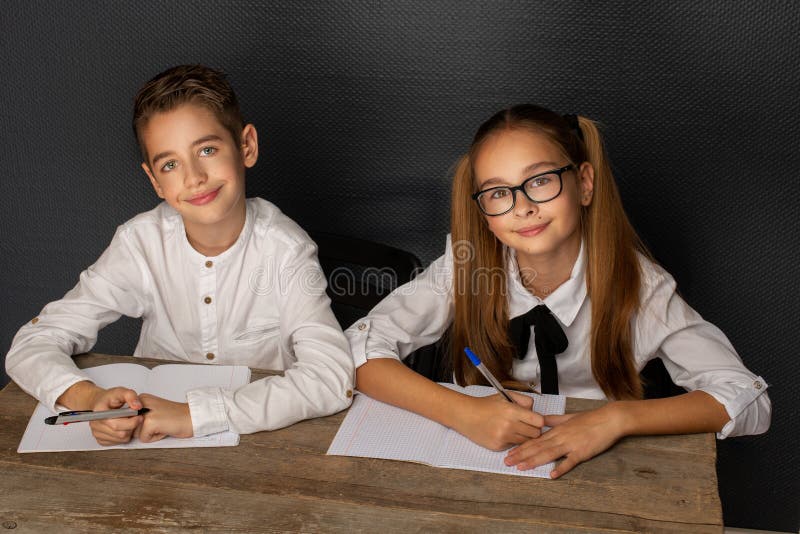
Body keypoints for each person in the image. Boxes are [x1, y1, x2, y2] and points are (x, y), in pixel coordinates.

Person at [347, 104, 770, 478]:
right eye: (498, 193)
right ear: (484, 212)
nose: (522, 206)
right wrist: (461, 411)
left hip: (597, 469)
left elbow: (748, 401)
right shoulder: (466, 267)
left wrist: (616, 419)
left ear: (584, 183)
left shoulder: (639, 287)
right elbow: (356, 349)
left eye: (540, 181)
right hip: (472, 461)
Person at [5, 64, 354, 445]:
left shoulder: (286, 250)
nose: (194, 177)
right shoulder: (141, 243)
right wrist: (88, 399)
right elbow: (32, 344)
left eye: (207, 149)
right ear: (155, 181)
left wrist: (193, 415)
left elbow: (331, 378)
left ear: (246, 146)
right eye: (170, 164)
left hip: (256, 442)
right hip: (149, 443)